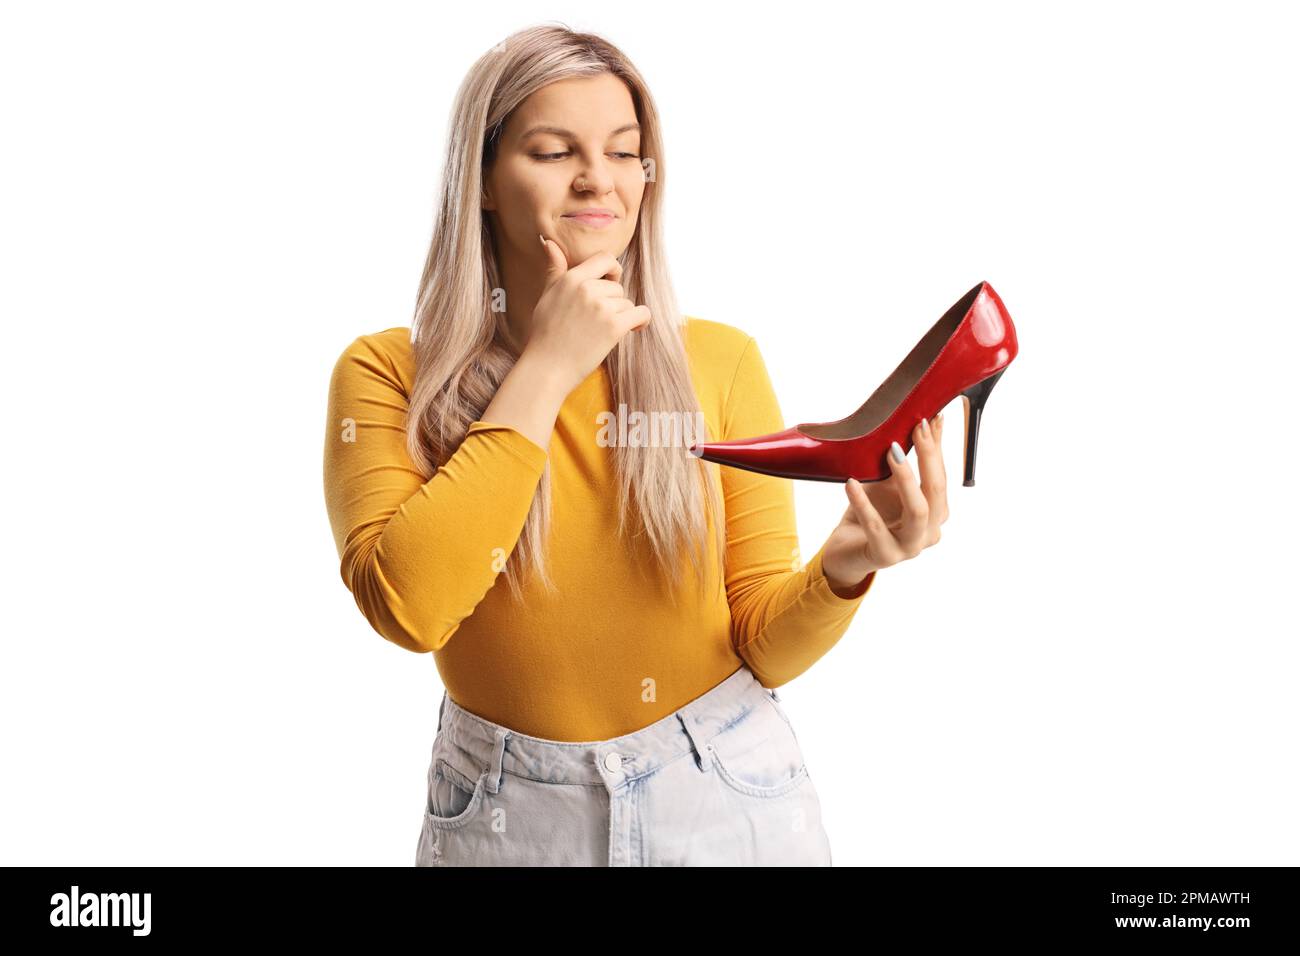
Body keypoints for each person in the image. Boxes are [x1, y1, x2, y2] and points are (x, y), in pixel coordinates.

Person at [322, 23, 949, 866]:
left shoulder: (719, 361)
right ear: (482, 180)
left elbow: (760, 644)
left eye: (625, 153)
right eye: (552, 151)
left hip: (726, 795)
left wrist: (844, 568)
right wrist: (546, 365)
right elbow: (409, 606)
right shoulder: (387, 374)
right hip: (508, 814)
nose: (599, 180)